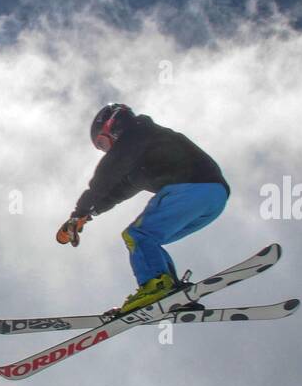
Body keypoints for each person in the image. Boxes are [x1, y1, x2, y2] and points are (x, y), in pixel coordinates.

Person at [56, 103, 231, 314]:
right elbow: (118, 189)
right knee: (149, 240)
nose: (107, 150)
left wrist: (79, 211)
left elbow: (108, 173)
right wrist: (90, 212)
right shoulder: (144, 153)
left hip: (193, 190)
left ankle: (156, 286)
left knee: (137, 234)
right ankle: (172, 291)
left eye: (103, 143)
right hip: (213, 199)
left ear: (114, 125)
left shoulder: (137, 132)